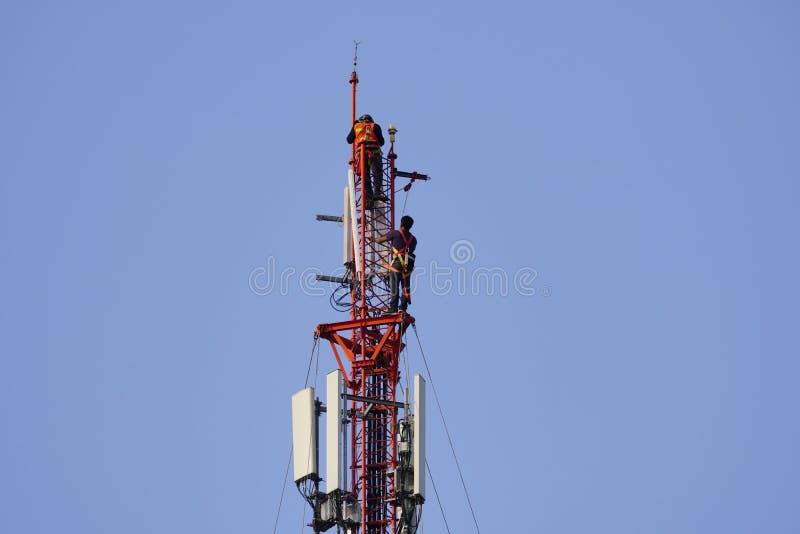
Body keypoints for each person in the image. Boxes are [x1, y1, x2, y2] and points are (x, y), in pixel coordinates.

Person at [376, 215, 417, 313]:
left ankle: (393, 307)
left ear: (401, 224)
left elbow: (380, 240)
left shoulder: (395, 233)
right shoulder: (414, 239)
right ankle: (403, 308)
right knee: (405, 285)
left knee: (394, 285)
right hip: (409, 265)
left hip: (398, 263)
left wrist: (373, 239)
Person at [347, 114, 388, 203]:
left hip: (362, 154)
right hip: (374, 152)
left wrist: (354, 126)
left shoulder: (356, 126)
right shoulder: (375, 126)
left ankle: (369, 198)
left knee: (365, 175)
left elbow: (349, 140)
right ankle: (377, 193)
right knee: (377, 173)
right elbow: (381, 142)